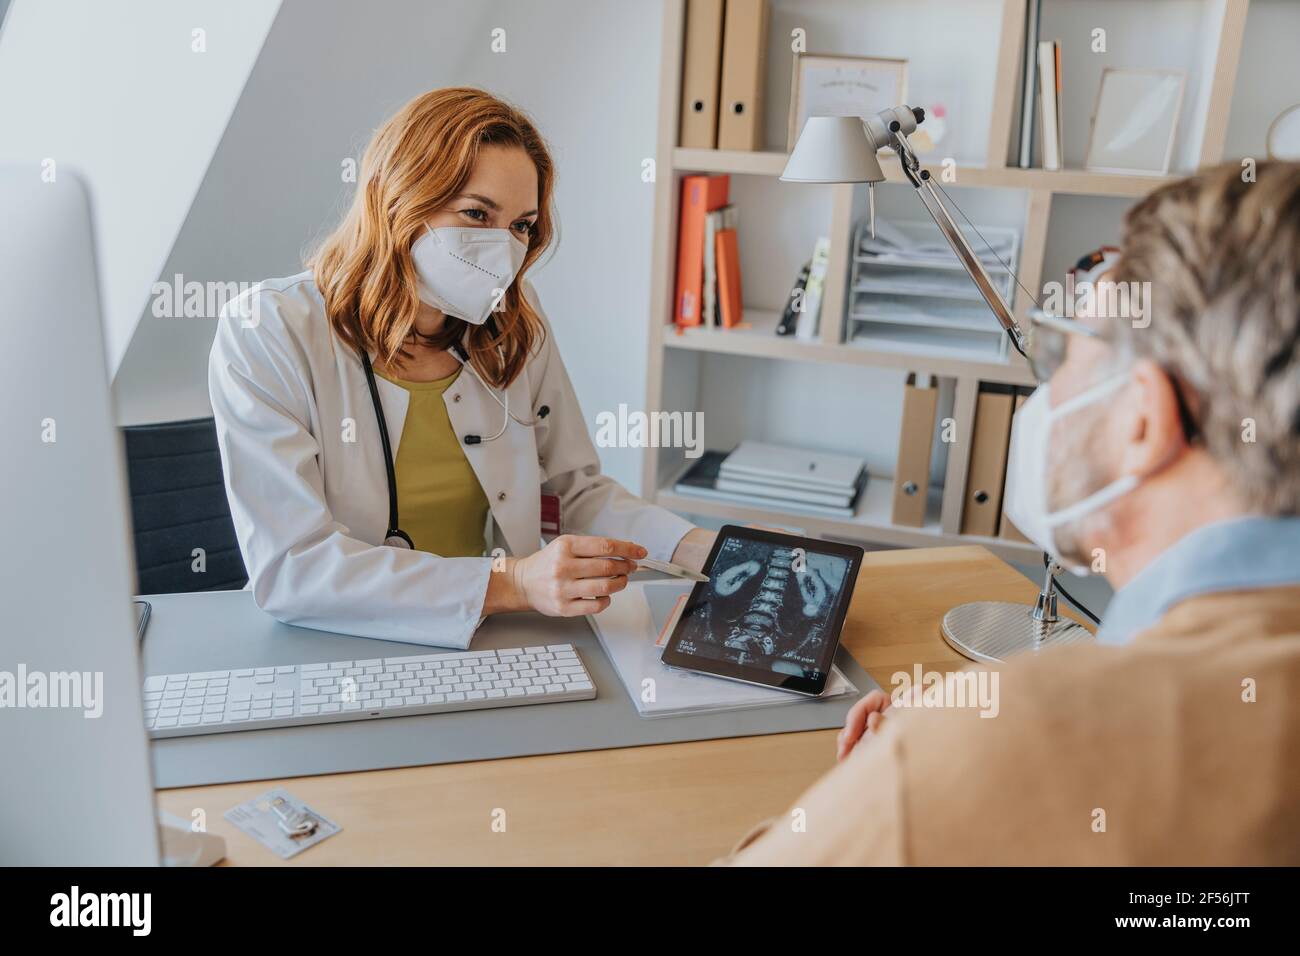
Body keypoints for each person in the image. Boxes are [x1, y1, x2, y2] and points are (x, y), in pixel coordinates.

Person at [722, 162, 1300, 865]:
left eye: (1068, 355)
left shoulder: (1017, 728)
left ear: (1144, 421)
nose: (1047, 397)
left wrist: (892, 791)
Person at [209, 88, 713, 648]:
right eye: (476, 214)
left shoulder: (515, 324)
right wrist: (512, 580)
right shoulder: (269, 329)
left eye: (521, 226)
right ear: (398, 198)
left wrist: (698, 548)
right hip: (339, 641)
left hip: (498, 635)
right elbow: (293, 570)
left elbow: (572, 493)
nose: (503, 248)